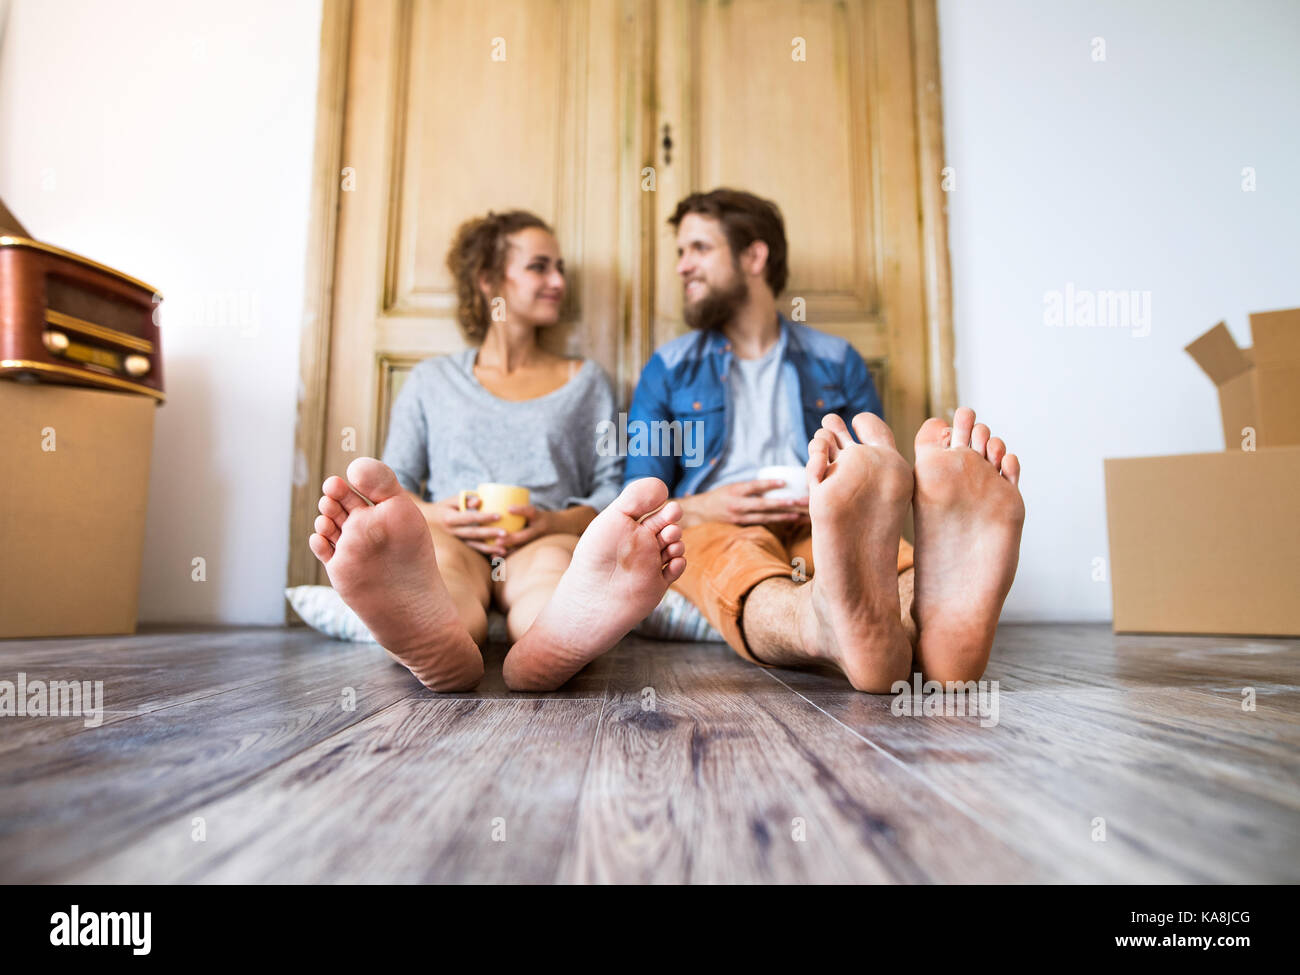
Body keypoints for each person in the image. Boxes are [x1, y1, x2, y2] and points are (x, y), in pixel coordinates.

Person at [625, 188, 1025, 691]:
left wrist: (834, 496)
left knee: (881, 557)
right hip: (714, 524)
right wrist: (707, 506)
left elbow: (877, 477)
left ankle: (935, 614)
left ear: (754, 255)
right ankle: (826, 624)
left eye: (698, 249)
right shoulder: (667, 368)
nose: (682, 266)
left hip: (823, 520)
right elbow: (636, 504)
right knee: (732, 557)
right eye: (680, 252)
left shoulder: (837, 361)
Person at [308, 210, 685, 692]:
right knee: (443, 578)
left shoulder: (587, 382)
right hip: (447, 534)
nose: (557, 281)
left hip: (545, 533)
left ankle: (555, 639)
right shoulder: (432, 381)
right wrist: (438, 514)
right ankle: (430, 637)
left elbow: (611, 488)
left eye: (561, 268)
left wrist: (554, 523)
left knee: (549, 576)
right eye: (539, 267)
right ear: (488, 279)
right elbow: (389, 484)